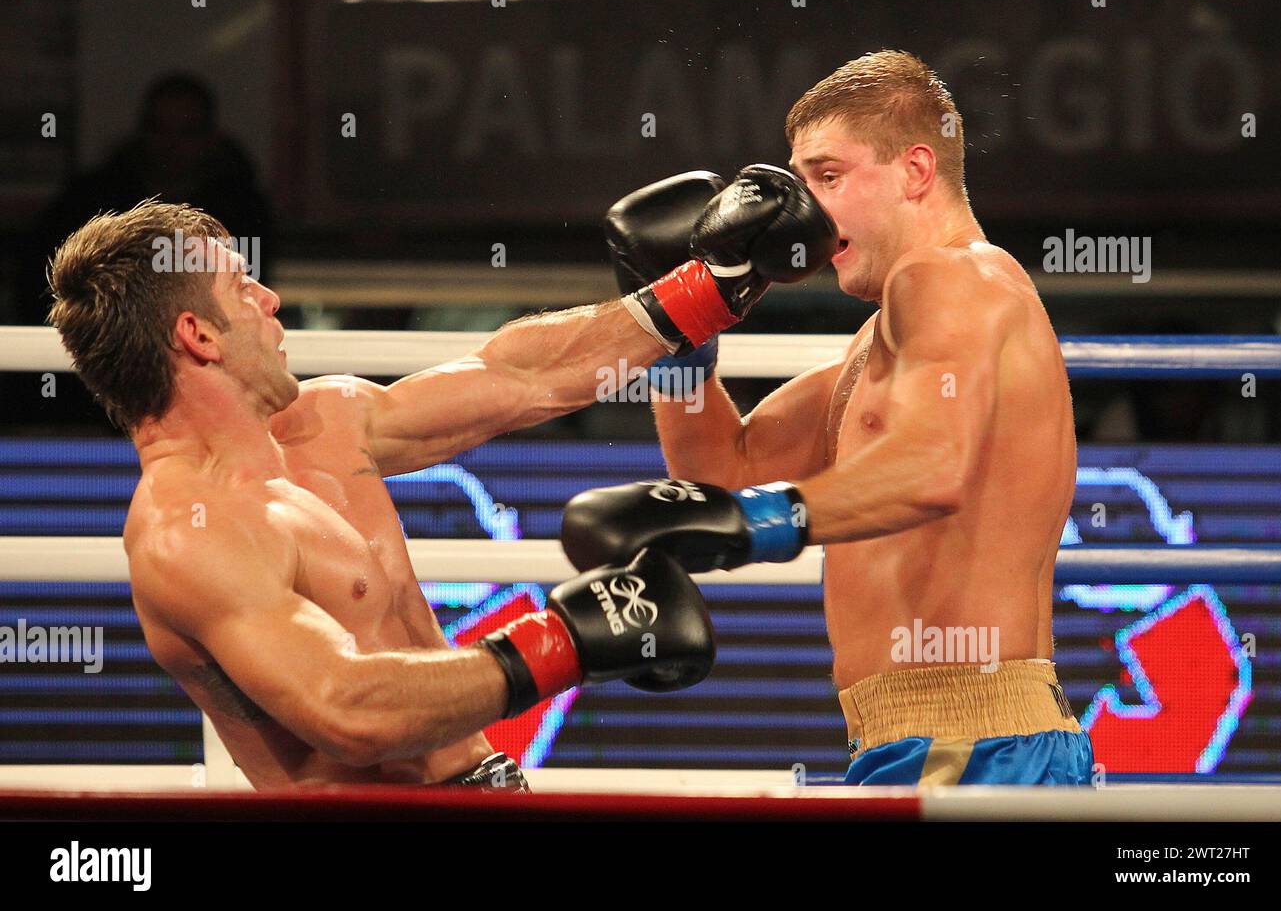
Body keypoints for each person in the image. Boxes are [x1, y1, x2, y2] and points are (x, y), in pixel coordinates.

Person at [41, 183, 830, 788]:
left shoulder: (328, 423)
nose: (271, 299)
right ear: (198, 335)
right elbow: (346, 708)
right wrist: (563, 643)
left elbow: (522, 374)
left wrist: (712, 285)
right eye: (244, 287)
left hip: (489, 784)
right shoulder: (189, 530)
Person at [562, 50, 1094, 787]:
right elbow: (722, 473)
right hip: (920, 740)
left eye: (829, 177)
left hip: (974, 741)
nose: (804, 211)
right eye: (799, 181)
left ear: (915, 172)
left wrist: (759, 524)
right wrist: (678, 324)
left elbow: (931, 466)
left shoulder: (952, 279)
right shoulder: (884, 335)